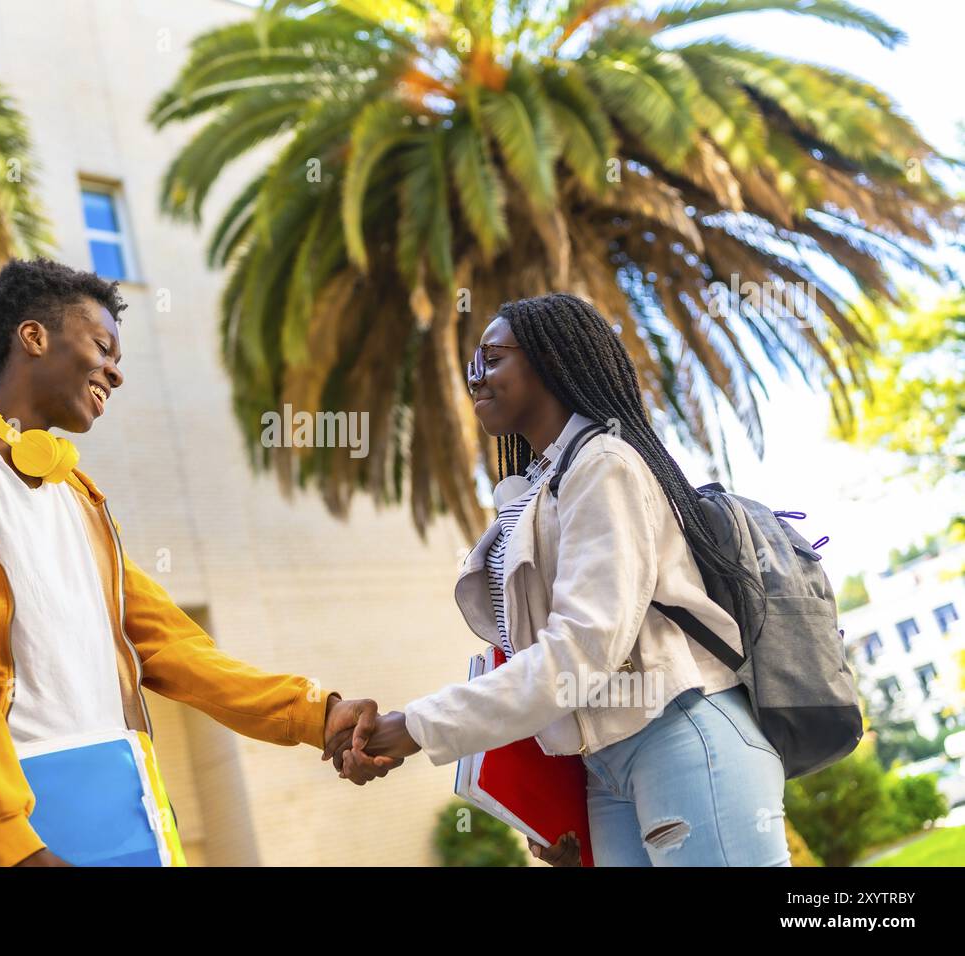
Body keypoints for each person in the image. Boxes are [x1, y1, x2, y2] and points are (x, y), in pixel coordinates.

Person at [0, 257, 382, 866]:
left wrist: (317, 714)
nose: (116, 373)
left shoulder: (80, 496)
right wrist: (10, 844)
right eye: (103, 347)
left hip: (126, 803)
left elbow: (173, 647)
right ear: (34, 336)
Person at [330, 293, 791, 867]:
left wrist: (415, 726)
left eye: (493, 358)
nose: (476, 377)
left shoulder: (604, 465)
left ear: (550, 359)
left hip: (682, 734)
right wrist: (544, 798)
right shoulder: (542, 487)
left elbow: (579, 651)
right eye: (473, 365)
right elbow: (531, 659)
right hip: (606, 763)